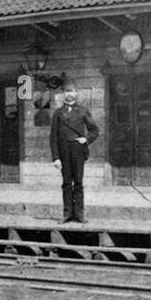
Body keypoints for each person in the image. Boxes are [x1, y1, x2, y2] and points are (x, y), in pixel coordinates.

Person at [49, 82, 99, 223]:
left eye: (72, 91)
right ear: (63, 93)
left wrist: (86, 139)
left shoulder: (82, 111)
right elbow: (53, 137)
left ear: (76, 93)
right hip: (64, 151)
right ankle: (67, 214)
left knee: (78, 182)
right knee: (66, 183)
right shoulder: (58, 113)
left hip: (77, 150)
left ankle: (79, 214)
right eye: (66, 91)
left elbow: (94, 130)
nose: (69, 94)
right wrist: (56, 157)